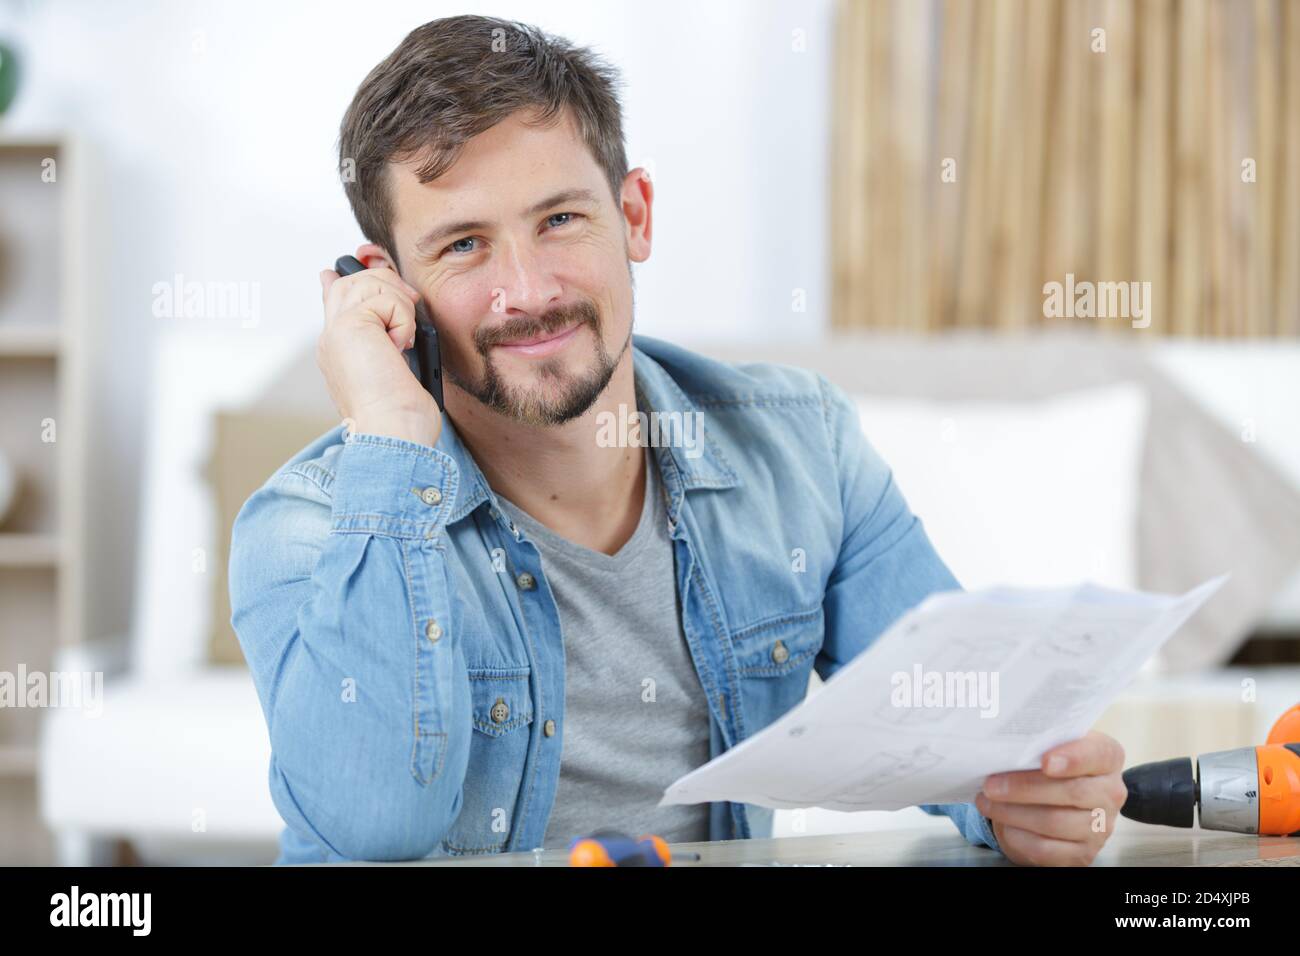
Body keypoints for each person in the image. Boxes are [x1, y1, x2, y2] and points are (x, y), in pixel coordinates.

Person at [229, 14, 1127, 865]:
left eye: (560, 219)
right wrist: (392, 430)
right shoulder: (301, 532)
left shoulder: (802, 447)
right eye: (463, 245)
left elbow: (969, 735)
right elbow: (377, 827)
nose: (528, 291)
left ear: (637, 216)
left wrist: (1028, 799)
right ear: (387, 288)